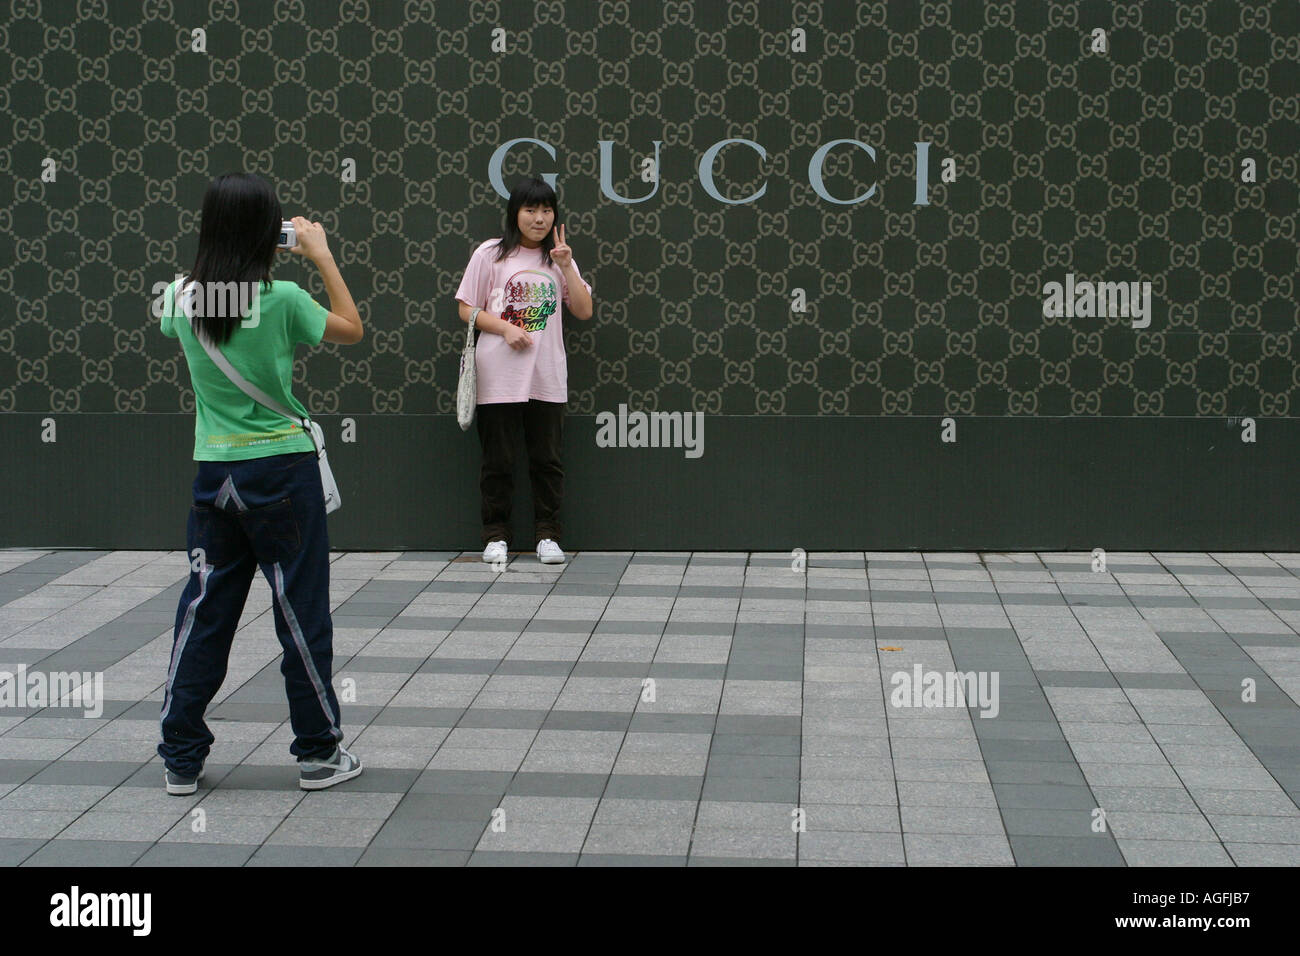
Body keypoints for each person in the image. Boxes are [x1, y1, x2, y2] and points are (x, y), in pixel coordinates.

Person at [156, 172, 364, 794]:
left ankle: (180, 758)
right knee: (300, 614)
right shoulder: (283, 300)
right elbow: (351, 327)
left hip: (214, 475)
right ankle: (319, 755)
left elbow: (189, 308)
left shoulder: (177, 299)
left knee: (204, 613)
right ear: (266, 234)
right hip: (281, 471)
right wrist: (321, 255)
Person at [454, 176, 594, 565]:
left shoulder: (560, 258)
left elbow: (583, 310)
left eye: (547, 210)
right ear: (515, 213)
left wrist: (566, 266)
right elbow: (465, 308)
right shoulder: (490, 254)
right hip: (498, 375)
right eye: (530, 209)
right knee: (497, 460)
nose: (539, 218)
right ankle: (495, 535)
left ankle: (548, 535)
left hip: (546, 374)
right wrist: (504, 327)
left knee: (547, 460)